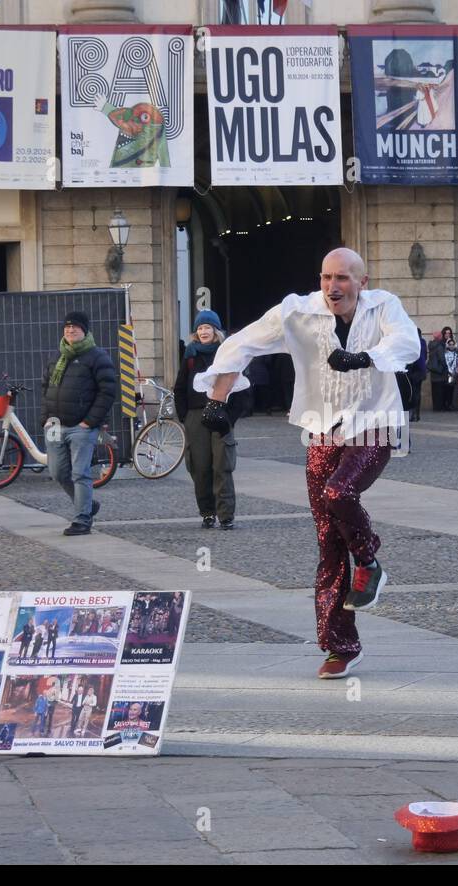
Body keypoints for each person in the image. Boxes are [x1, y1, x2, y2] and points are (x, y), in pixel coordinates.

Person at [194, 247, 420, 680]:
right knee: (327, 544)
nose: (333, 287)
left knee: (340, 492)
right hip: (321, 431)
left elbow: (406, 342)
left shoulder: (384, 305)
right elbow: (243, 343)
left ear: (362, 282)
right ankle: (340, 646)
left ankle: (369, 562)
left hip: (374, 426)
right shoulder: (295, 312)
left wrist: (364, 357)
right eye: (326, 278)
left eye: (343, 279)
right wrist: (218, 401)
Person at [40, 311, 117, 536]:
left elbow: (108, 391)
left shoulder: (97, 357)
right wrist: (45, 418)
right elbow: (46, 388)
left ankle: (82, 519)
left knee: (80, 473)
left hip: (81, 427)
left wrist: (89, 421)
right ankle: (88, 505)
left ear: (85, 330)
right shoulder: (58, 356)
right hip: (55, 426)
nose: (70, 330)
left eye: (75, 327)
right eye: (67, 327)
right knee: (57, 472)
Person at [174, 310, 248, 530]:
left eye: (207, 328)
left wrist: (230, 418)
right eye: (200, 328)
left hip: (220, 414)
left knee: (221, 465)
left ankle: (226, 515)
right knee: (200, 467)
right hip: (196, 416)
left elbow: (242, 391)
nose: (203, 331)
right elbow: (179, 388)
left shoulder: (227, 353)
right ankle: (207, 513)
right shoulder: (190, 355)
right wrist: (185, 417)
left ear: (216, 331)